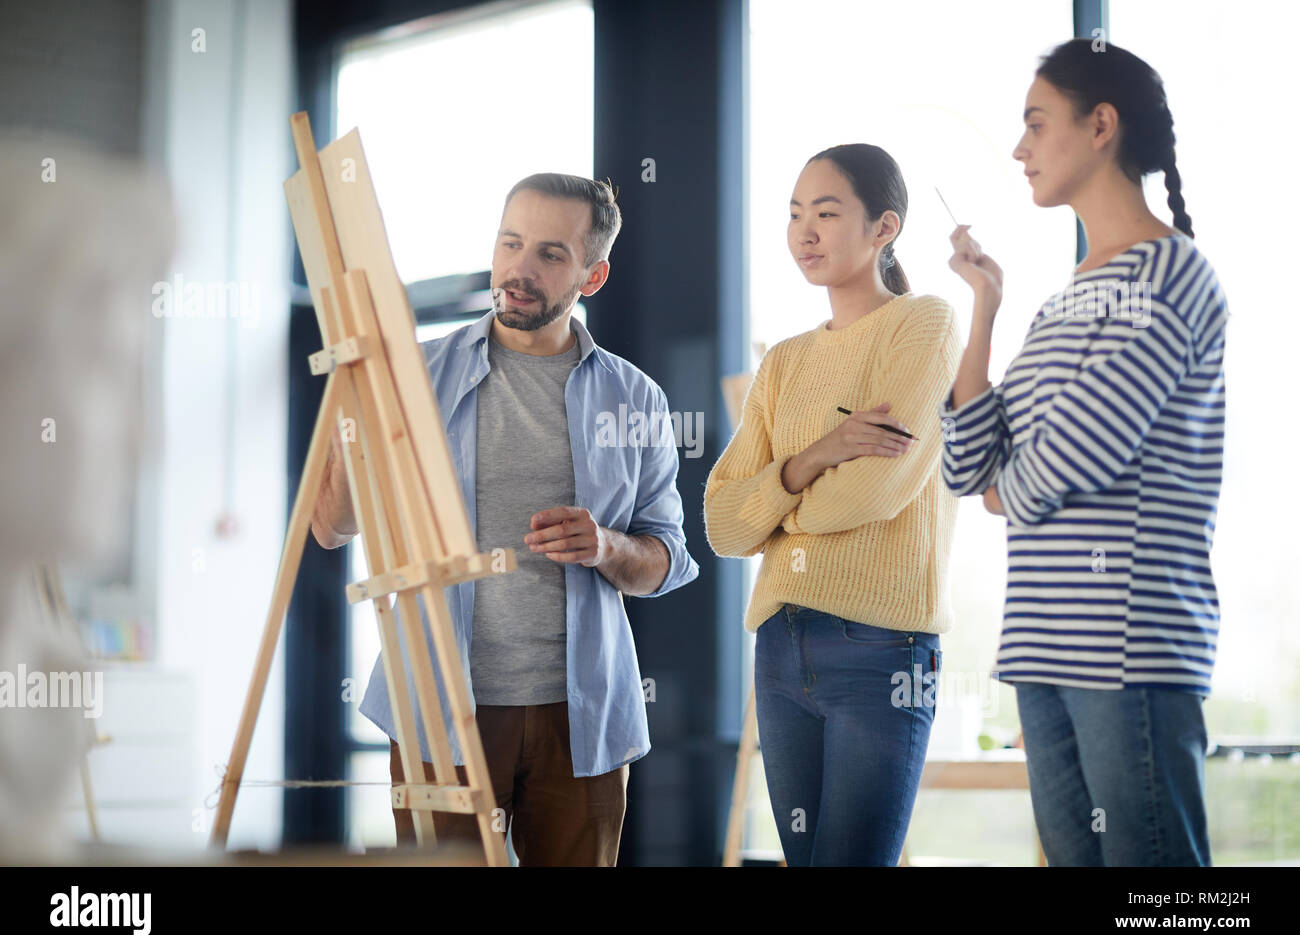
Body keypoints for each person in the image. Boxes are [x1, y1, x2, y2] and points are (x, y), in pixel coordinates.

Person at [311, 173, 699, 865]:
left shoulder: (635, 397)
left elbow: (667, 558)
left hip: (582, 721)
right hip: (436, 705)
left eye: (550, 254)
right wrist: (355, 400)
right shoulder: (416, 376)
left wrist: (607, 545)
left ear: (593, 274)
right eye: (510, 242)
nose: (519, 269)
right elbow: (331, 527)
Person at [941, 38, 1227, 866]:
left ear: (1101, 125)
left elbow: (1074, 456)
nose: (1020, 147)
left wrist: (1008, 485)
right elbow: (968, 470)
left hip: (1128, 641)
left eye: (1036, 123)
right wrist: (986, 310)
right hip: (1041, 641)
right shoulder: (1065, 301)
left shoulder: (1170, 273)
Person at [703, 144, 961, 865]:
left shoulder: (924, 324)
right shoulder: (783, 361)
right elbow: (722, 525)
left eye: (825, 212)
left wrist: (777, 508)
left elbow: (876, 488)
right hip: (779, 648)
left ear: (885, 227)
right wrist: (822, 453)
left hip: (882, 650)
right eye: (793, 214)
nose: (803, 232)